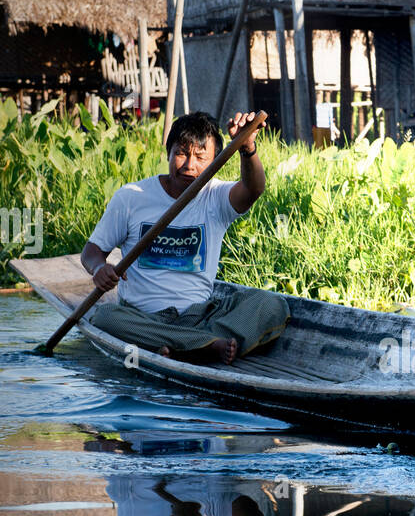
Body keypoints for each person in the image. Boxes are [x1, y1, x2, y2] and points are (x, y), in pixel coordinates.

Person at [81, 110, 290, 364]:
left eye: (201, 157)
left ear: (215, 160)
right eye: (181, 154)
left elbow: (253, 189)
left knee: (273, 305)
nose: (190, 166)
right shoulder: (131, 197)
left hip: (200, 316)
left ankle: (184, 346)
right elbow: (92, 252)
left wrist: (247, 148)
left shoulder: (215, 196)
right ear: (168, 153)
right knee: (106, 318)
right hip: (143, 317)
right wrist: (99, 268)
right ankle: (202, 345)